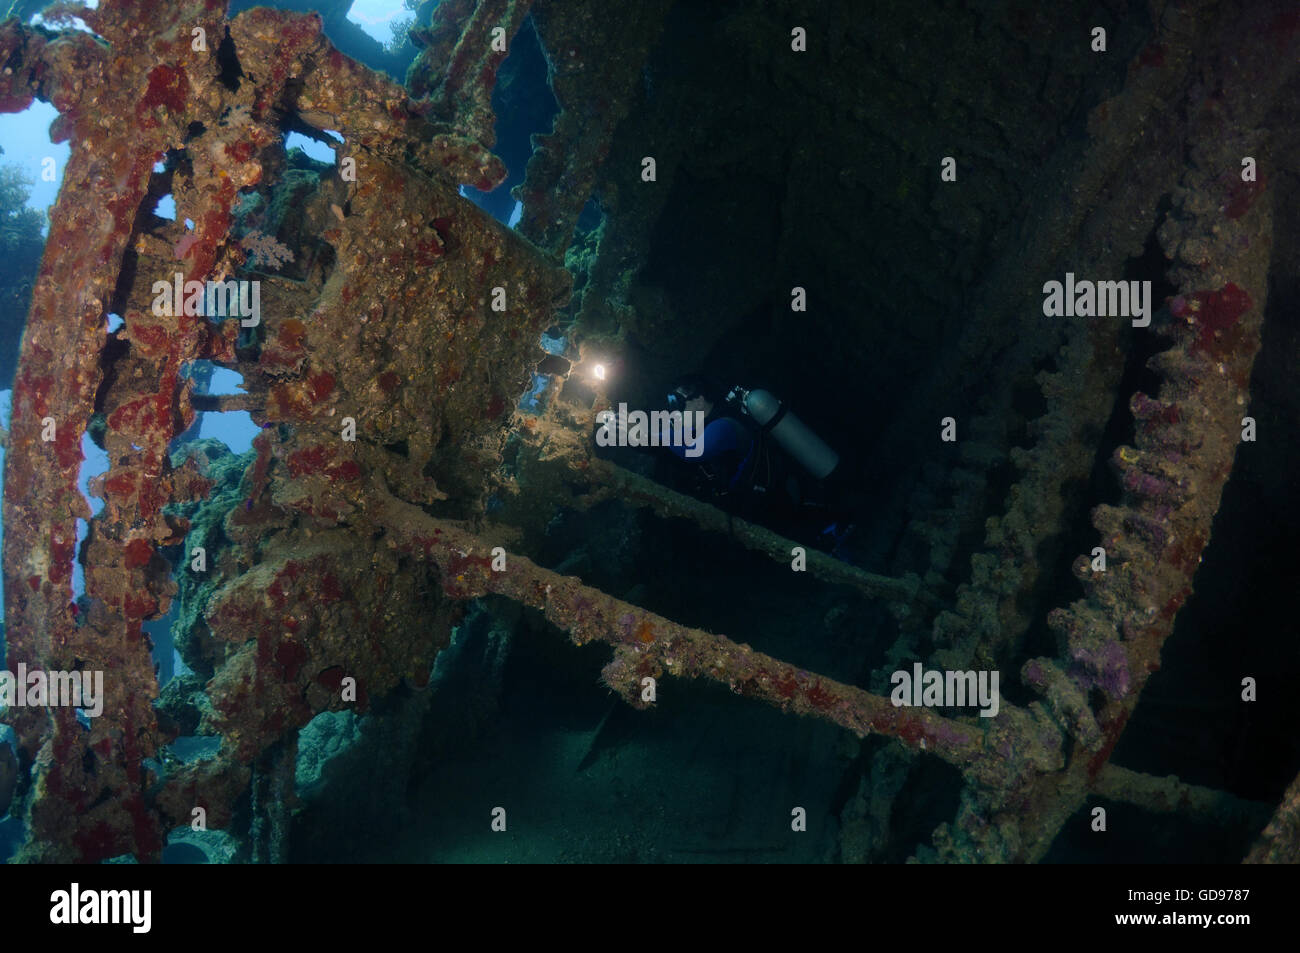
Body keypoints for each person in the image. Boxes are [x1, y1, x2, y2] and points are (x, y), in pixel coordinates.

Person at [658, 374, 857, 557]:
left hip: (773, 496)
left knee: (805, 533)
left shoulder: (722, 426)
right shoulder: (718, 420)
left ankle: (842, 542)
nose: (677, 415)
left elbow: (692, 451)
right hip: (769, 493)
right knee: (800, 531)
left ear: (699, 401)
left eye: (679, 406)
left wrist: (660, 432)